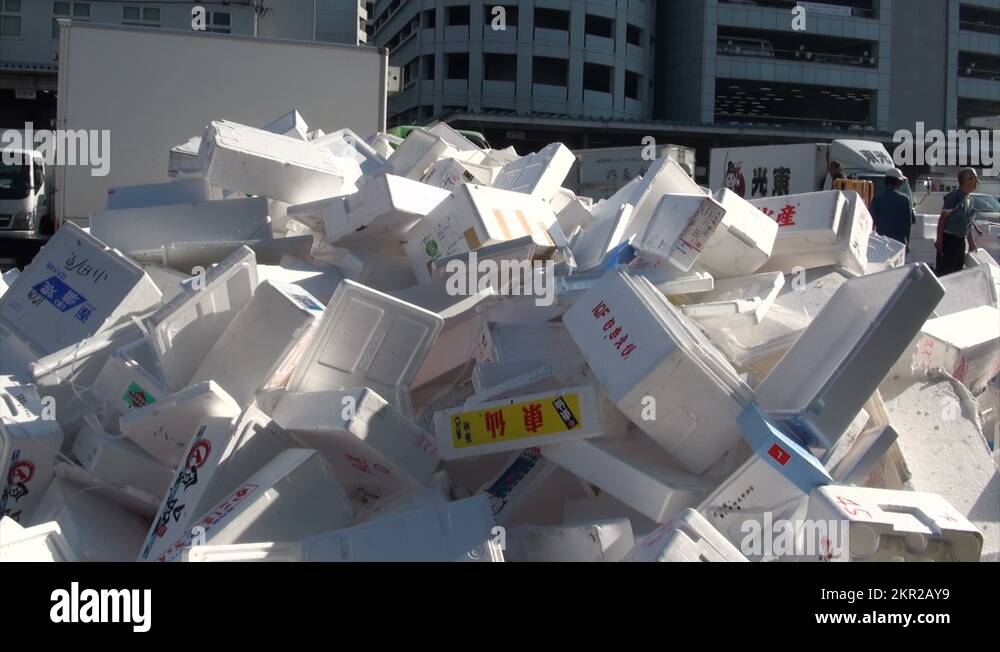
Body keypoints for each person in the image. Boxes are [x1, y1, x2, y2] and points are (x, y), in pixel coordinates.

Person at [935, 167, 979, 276]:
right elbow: (942, 219)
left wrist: (971, 242)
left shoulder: (971, 200)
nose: (977, 182)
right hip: (948, 240)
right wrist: (940, 241)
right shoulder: (954, 197)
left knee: (957, 272)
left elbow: (967, 224)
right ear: (967, 180)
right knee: (945, 273)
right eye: (974, 179)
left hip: (960, 241)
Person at [869, 168, 915, 250]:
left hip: (881, 242)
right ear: (899, 183)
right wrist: (907, 243)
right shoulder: (905, 199)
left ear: (885, 181)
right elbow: (908, 224)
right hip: (899, 243)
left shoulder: (877, 198)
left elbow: (870, 221)